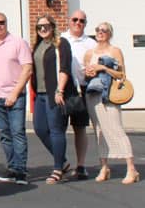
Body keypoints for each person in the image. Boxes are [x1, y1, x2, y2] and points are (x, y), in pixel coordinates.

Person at [0, 11, 32, 185]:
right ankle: (12, 167)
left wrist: (14, 93)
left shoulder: (18, 42)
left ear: (6, 23)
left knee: (17, 133)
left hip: (15, 95)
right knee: (4, 134)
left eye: (1, 22)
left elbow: (27, 69)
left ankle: (21, 171)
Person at [84, 22, 139, 184]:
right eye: (98, 30)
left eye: (104, 30)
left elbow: (121, 75)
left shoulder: (115, 51)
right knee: (99, 131)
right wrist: (89, 72)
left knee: (116, 129)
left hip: (109, 95)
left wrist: (103, 68)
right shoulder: (89, 53)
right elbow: (86, 75)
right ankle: (104, 167)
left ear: (110, 34)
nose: (100, 32)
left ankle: (131, 169)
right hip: (93, 96)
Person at [31, 14, 76, 184]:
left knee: (56, 130)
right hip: (40, 94)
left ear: (53, 26)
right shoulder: (38, 45)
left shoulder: (61, 43)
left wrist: (60, 90)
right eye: (39, 26)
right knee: (40, 129)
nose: (43, 29)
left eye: (46, 25)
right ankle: (62, 161)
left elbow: (64, 68)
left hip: (54, 94)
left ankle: (58, 169)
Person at [64, 9, 97, 180]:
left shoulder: (91, 43)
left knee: (80, 127)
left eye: (82, 21)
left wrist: (92, 71)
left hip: (82, 89)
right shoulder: (61, 39)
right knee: (57, 128)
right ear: (69, 21)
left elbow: (96, 65)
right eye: (75, 19)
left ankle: (81, 165)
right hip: (63, 89)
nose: (78, 23)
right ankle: (60, 164)